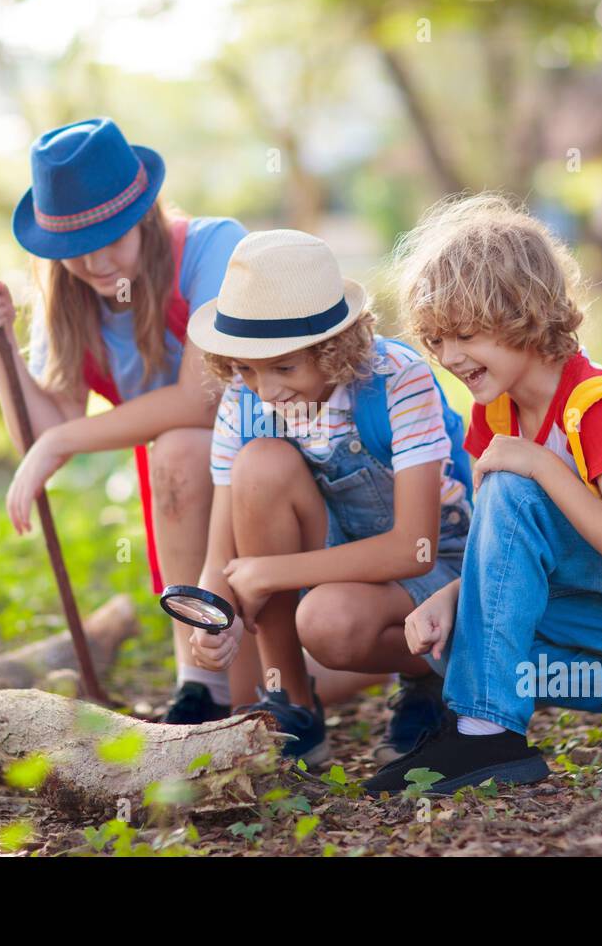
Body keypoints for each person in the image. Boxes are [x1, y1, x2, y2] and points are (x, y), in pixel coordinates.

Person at [364, 192, 602, 795]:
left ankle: (486, 736)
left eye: (466, 333)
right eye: (436, 340)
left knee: (515, 489)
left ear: (525, 314)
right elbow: (505, 557)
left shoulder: (595, 404)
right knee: (460, 637)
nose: (449, 357)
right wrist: (455, 596)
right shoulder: (496, 413)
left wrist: (544, 467)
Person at [0, 117, 254, 722]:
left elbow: (202, 399)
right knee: (174, 456)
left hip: (272, 478)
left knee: (177, 445)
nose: (95, 262)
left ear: (144, 214)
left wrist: (63, 440)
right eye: (75, 248)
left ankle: (243, 681)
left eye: (111, 238)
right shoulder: (68, 302)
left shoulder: (210, 249)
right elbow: (37, 434)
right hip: (189, 499)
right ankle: (198, 686)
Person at [185, 229, 473, 766]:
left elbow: (415, 550)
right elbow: (220, 560)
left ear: (334, 348)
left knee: (327, 623)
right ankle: (293, 707)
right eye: (247, 368)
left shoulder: (394, 381)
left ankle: (431, 683)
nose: (266, 390)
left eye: (285, 367)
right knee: (259, 463)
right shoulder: (244, 401)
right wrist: (213, 615)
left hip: (435, 565)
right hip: (328, 550)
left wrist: (271, 573)